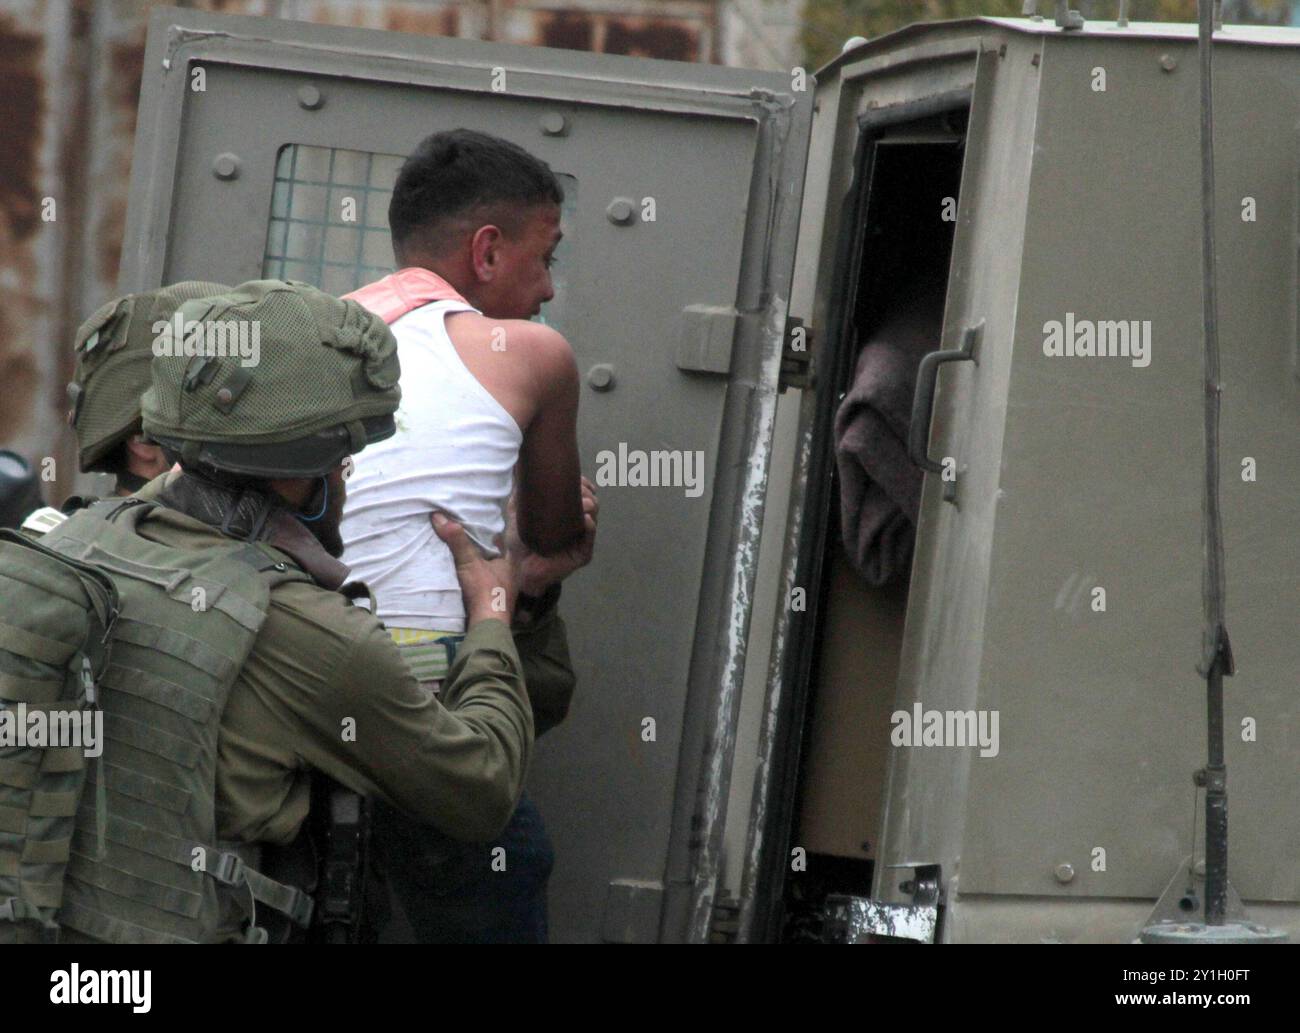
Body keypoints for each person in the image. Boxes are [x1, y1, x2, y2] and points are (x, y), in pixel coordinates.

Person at [1, 279, 553, 944]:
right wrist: (494, 610)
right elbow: (481, 787)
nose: (348, 479)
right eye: (346, 461)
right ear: (311, 472)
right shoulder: (310, 630)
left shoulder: (71, 541)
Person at [339, 129, 590, 942]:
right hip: (429, 700)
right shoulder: (532, 354)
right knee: (508, 861)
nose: (548, 289)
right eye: (544, 257)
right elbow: (553, 536)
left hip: (287, 679)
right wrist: (531, 557)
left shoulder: (312, 334)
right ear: (486, 252)